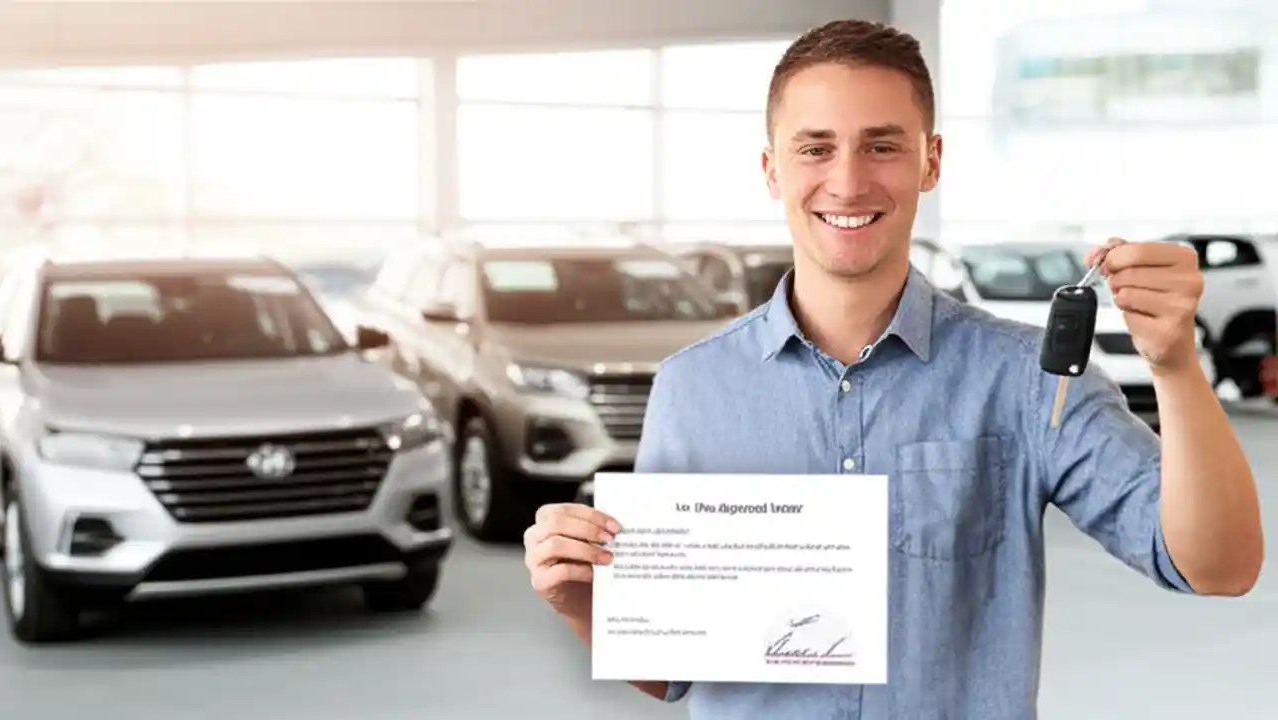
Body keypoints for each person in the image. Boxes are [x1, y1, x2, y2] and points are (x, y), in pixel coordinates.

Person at [522, 18, 1264, 719]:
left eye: (881, 146)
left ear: (930, 161)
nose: (847, 183)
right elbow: (671, 670)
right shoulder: (694, 388)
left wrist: (1175, 366)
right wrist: (581, 600)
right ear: (771, 169)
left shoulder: (1027, 377)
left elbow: (1217, 566)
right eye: (815, 148)